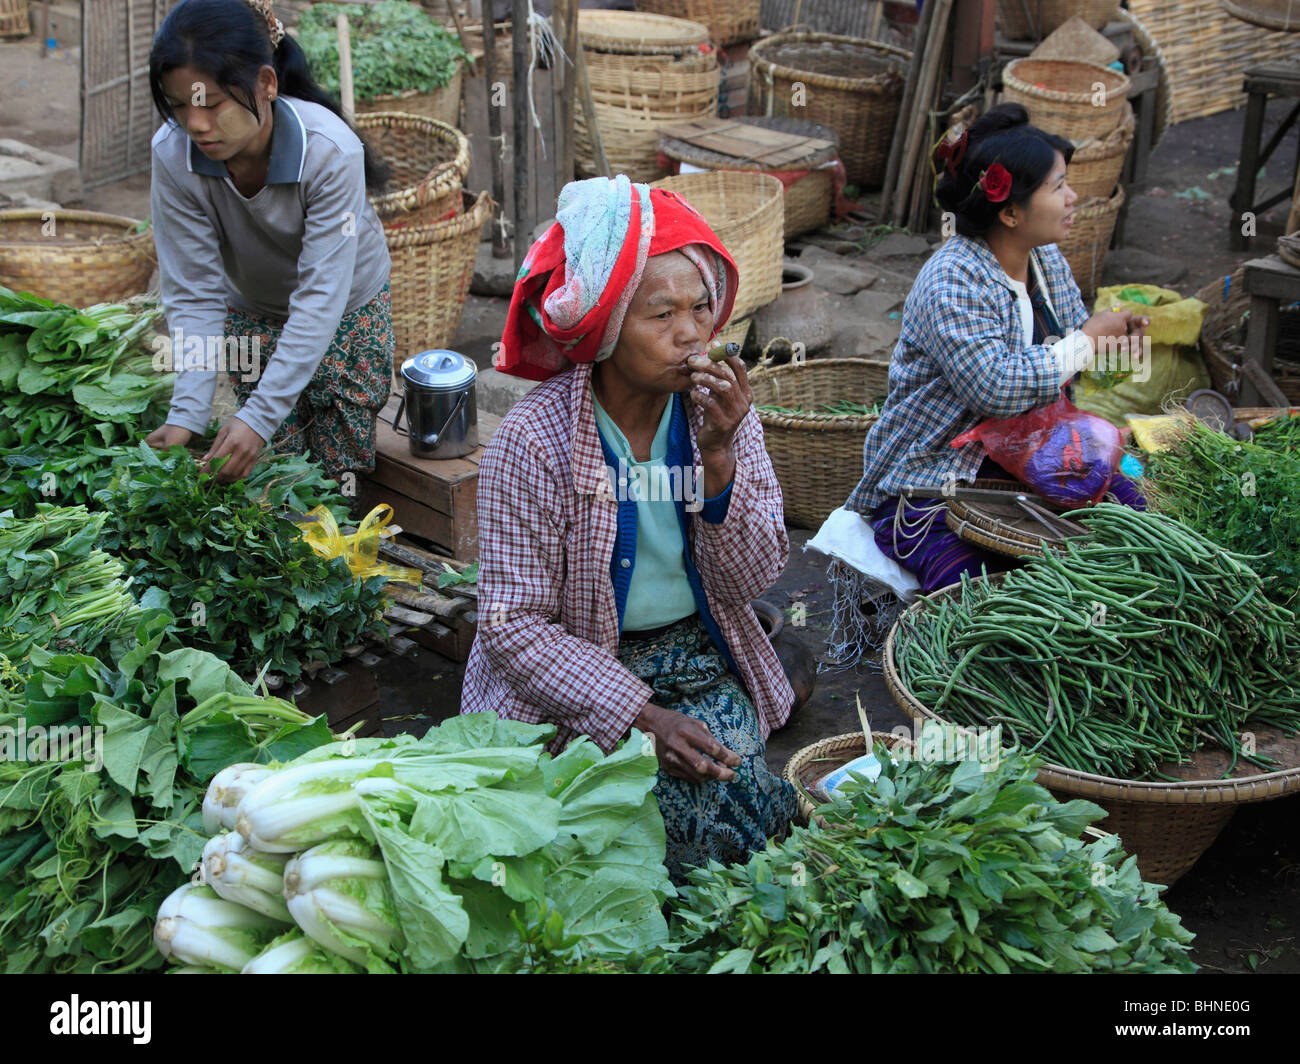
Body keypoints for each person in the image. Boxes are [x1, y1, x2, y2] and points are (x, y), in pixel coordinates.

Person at [461, 175, 797, 884]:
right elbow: (512, 624)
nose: (691, 333)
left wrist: (717, 460)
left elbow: (753, 577)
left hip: (693, 652)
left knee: (720, 789)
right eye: (661, 315)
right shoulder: (534, 441)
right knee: (619, 822)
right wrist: (644, 717)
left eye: (701, 308)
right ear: (608, 327)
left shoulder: (722, 418)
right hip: (570, 667)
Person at [845, 103, 1150, 593]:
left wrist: (1105, 339)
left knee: (1140, 527)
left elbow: (1066, 351)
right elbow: (996, 388)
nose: (1073, 198)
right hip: (936, 479)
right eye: (1058, 187)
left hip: (1030, 455)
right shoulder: (952, 278)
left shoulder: (1045, 259)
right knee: (979, 594)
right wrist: (1086, 339)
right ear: (1009, 211)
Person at [145, 0, 393, 487]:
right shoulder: (174, 156)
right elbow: (193, 289)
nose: (195, 124)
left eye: (211, 104)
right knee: (272, 476)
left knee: (336, 472)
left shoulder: (330, 153)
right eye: (178, 106)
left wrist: (257, 419)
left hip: (344, 311)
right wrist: (188, 412)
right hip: (254, 308)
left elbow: (321, 297)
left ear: (266, 84)